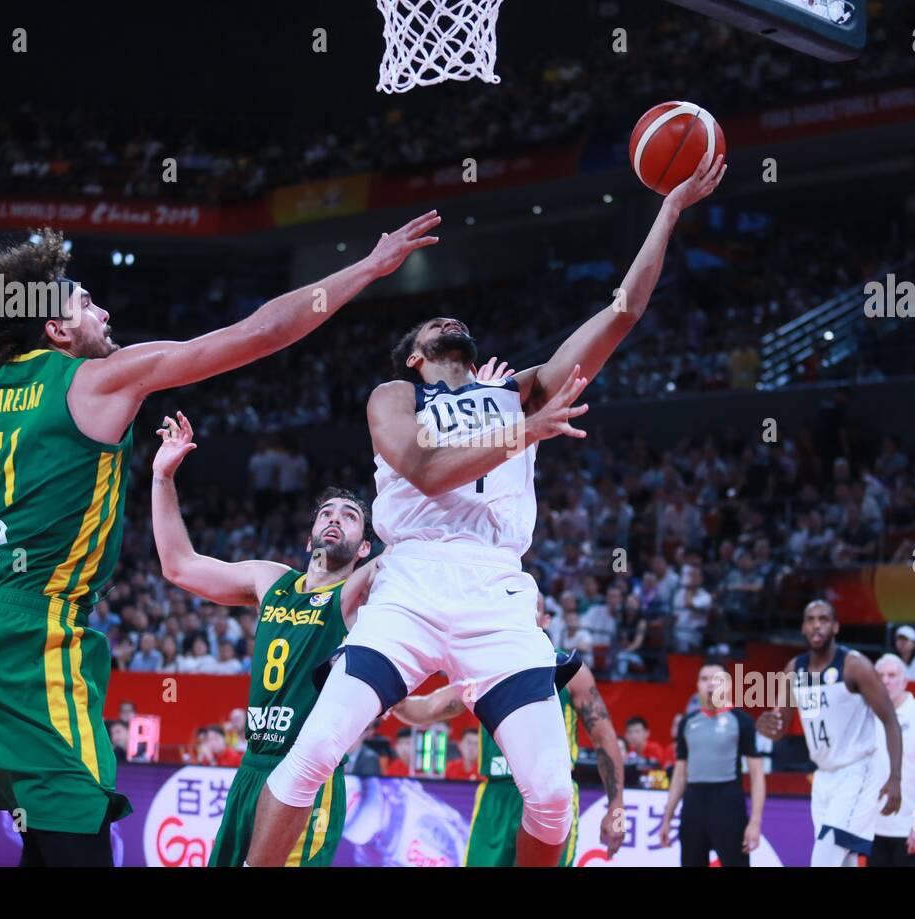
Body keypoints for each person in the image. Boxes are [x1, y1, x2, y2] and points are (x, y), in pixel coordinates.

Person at [0, 214, 437, 867]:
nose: (103, 312)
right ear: (55, 329)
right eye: (85, 303)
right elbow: (259, 332)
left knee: (49, 822)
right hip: (33, 634)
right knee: (77, 818)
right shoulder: (99, 379)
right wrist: (367, 267)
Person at [246, 154, 726, 867]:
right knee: (310, 754)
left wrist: (670, 209)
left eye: (453, 319)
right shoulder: (395, 396)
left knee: (552, 794)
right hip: (409, 584)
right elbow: (425, 471)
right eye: (428, 325)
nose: (446, 319)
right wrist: (523, 433)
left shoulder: (519, 389)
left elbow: (622, 311)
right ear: (413, 355)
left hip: (498, 590)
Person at [150, 411, 379, 867]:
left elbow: (417, 547)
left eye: (350, 517)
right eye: (326, 514)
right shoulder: (270, 579)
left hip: (305, 775)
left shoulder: (357, 592)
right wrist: (161, 476)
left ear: (366, 546)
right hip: (252, 767)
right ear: (311, 532)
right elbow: (178, 565)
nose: (335, 520)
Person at [391, 593, 626, 866]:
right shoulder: (483, 669)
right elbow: (429, 708)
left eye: (531, 609)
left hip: (549, 797)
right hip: (495, 795)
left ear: (545, 621)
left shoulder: (568, 668)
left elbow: (603, 736)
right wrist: (392, 699)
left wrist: (616, 806)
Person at [758, 600, 902, 867]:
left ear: (835, 627)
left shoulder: (854, 666)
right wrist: (766, 725)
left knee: (823, 860)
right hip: (824, 777)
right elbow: (780, 727)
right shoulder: (794, 670)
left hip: (858, 772)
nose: (816, 625)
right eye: (810, 619)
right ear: (802, 627)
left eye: (823, 619)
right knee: (842, 861)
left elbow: (890, 720)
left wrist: (895, 778)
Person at [660, 664, 765, 867]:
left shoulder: (741, 721)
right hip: (693, 805)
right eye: (704, 679)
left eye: (716, 679)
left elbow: (757, 775)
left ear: (728, 684)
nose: (710, 684)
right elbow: (680, 775)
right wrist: (667, 817)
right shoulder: (688, 723)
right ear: (698, 685)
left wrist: (755, 821)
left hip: (728, 805)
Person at [867, 655, 915, 867]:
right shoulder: (870, 715)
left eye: (892, 675)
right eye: (880, 676)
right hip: (875, 828)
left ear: (905, 681)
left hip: (909, 832)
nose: (886, 681)